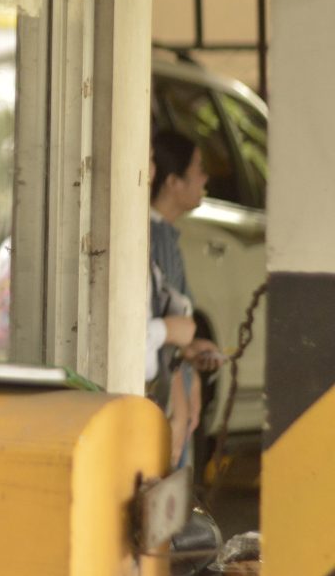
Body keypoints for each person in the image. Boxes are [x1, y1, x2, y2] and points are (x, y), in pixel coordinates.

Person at [147, 130, 223, 468]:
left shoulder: (166, 236)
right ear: (173, 182)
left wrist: (192, 351)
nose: (205, 178)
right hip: (165, 400)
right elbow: (166, 327)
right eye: (198, 168)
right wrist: (182, 399)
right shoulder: (156, 238)